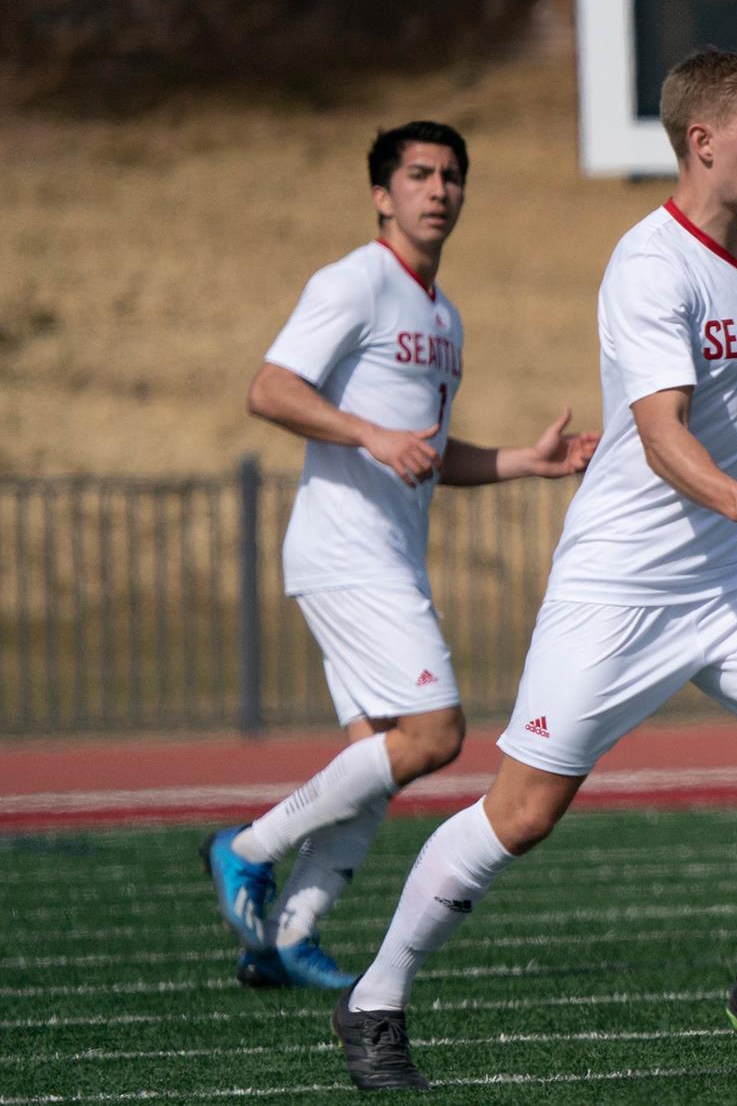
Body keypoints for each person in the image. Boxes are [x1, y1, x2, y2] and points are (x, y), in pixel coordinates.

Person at [331, 50, 737, 1090]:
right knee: (521, 815)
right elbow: (657, 433)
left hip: (726, 584)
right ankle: (375, 999)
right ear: (702, 141)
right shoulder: (650, 263)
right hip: (623, 589)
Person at [204, 120, 599, 991]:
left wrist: (524, 464)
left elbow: (428, 449)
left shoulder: (442, 313)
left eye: (452, 176)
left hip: (384, 553)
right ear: (382, 194)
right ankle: (246, 849)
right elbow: (270, 388)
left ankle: (284, 934)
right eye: (419, 174)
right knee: (437, 733)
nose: (439, 190)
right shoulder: (355, 281)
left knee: (378, 755)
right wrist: (368, 434)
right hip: (347, 549)